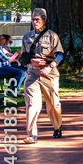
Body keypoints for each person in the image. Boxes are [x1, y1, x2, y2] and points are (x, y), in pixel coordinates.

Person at [21, 8, 64, 144]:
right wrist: (31, 60)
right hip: (32, 73)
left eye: (37, 20)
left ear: (44, 21)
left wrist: (50, 67)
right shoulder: (27, 36)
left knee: (53, 104)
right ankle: (32, 135)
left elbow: (60, 55)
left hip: (49, 74)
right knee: (32, 104)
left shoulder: (52, 36)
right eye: (33, 20)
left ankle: (57, 126)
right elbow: (24, 56)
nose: (34, 22)